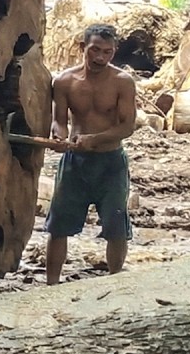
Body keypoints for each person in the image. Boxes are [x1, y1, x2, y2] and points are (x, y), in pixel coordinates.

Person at [45, 23, 137, 285]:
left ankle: (114, 283)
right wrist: (59, 137)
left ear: (114, 52)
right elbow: (59, 120)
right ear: (82, 47)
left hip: (111, 163)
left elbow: (127, 126)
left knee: (116, 226)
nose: (100, 58)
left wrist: (94, 139)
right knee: (58, 224)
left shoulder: (122, 82)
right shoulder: (64, 81)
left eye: (107, 52)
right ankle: (51, 285)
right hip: (75, 163)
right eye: (95, 50)